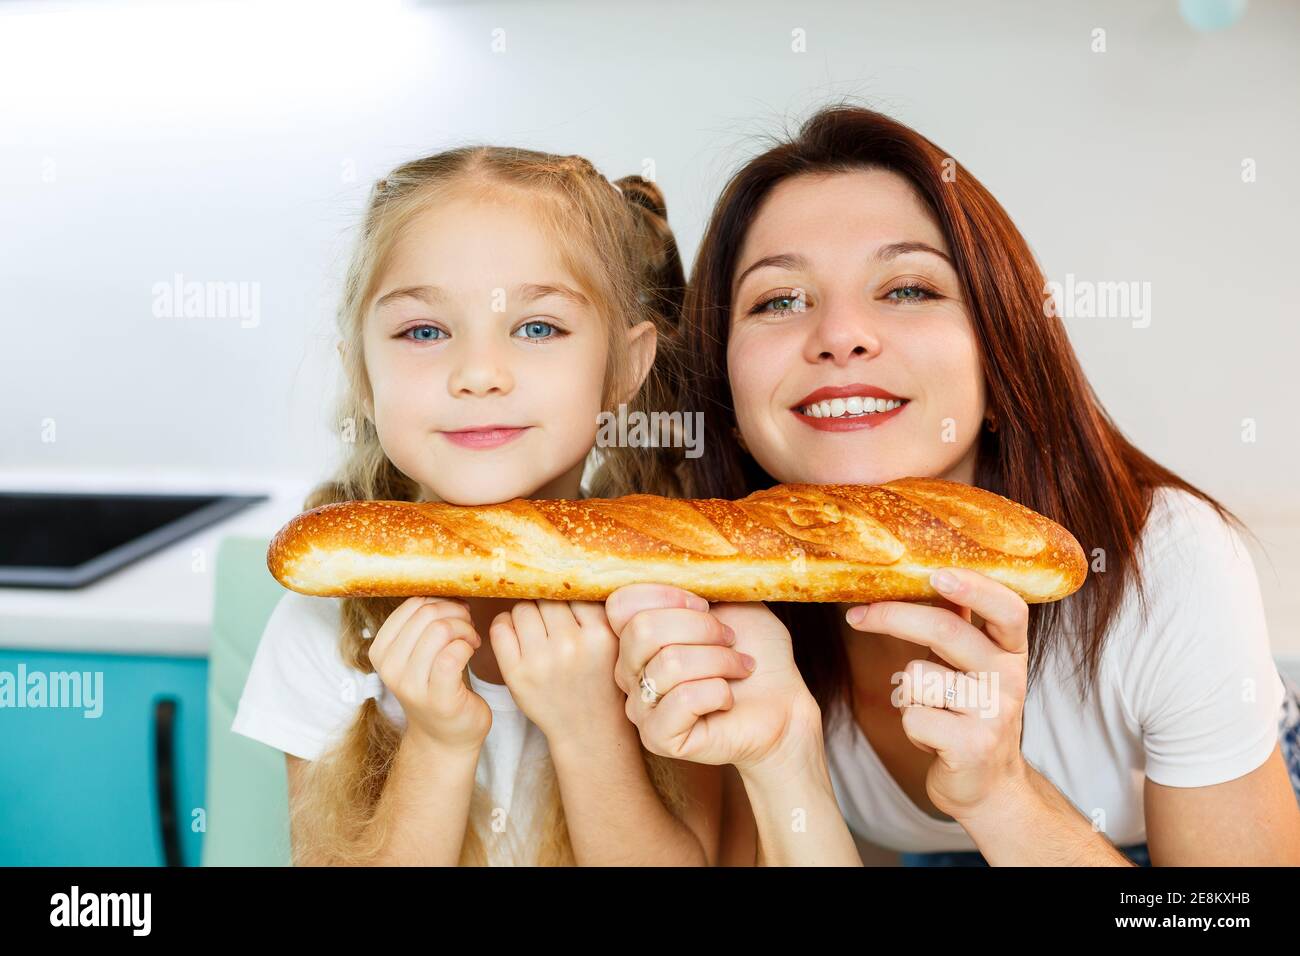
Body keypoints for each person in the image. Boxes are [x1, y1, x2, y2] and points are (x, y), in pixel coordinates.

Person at [605, 105, 1300, 866]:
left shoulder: (1164, 562)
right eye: (780, 300)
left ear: (1001, 363)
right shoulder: (710, 605)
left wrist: (1001, 795)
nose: (840, 334)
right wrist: (785, 764)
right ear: (728, 400)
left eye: (906, 288)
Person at [233, 145, 721, 865]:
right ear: (363, 378)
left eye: (537, 328)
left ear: (625, 366)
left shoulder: (678, 613)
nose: (479, 373)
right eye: (424, 332)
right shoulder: (324, 621)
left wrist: (590, 728)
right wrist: (438, 740)